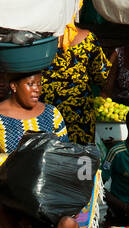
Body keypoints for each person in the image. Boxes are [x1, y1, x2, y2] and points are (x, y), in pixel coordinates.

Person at [43, 16, 111, 145]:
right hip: (79, 113)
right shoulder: (88, 39)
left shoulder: (40, 39)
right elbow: (102, 76)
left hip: (48, 112)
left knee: (49, 155)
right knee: (80, 158)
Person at [0, 71, 69, 161]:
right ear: (14, 86)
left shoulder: (52, 113)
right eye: (31, 84)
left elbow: (65, 153)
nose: (37, 89)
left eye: (39, 83)